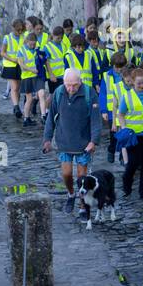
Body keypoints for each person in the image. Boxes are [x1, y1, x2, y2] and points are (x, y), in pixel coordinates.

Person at [43, 67, 101, 213]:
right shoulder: (59, 93)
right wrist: (47, 139)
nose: (71, 88)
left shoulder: (89, 93)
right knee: (67, 174)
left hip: (83, 143)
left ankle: (83, 205)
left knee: (82, 176)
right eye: (68, 84)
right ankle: (70, 193)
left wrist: (93, 141)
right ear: (64, 82)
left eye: (75, 85)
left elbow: (96, 120)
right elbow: (51, 118)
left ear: (80, 82)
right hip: (64, 141)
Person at [117, 62, 143, 200]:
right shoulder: (126, 97)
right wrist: (124, 128)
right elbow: (121, 114)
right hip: (133, 136)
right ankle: (127, 181)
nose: (142, 86)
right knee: (133, 162)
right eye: (139, 83)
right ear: (132, 82)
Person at [16, 30, 48, 125]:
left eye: (34, 44)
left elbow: (44, 60)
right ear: (27, 42)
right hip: (27, 77)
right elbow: (21, 65)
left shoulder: (38, 49)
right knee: (29, 99)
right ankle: (26, 118)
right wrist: (31, 70)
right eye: (31, 44)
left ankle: (43, 116)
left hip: (38, 76)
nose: (33, 46)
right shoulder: (21, 51)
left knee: (42, 94)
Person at [0, 17, 28, 115]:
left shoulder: (24, 38)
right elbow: (2, 53)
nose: (19, 32)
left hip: (20, 65)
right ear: (13, 28)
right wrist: (13, 59)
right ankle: (16, 107)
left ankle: (16, 106)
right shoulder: (7, 38)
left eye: (21, 30)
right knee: (14, 87)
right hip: (10, 65)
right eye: (18, 30)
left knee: (18, 88)